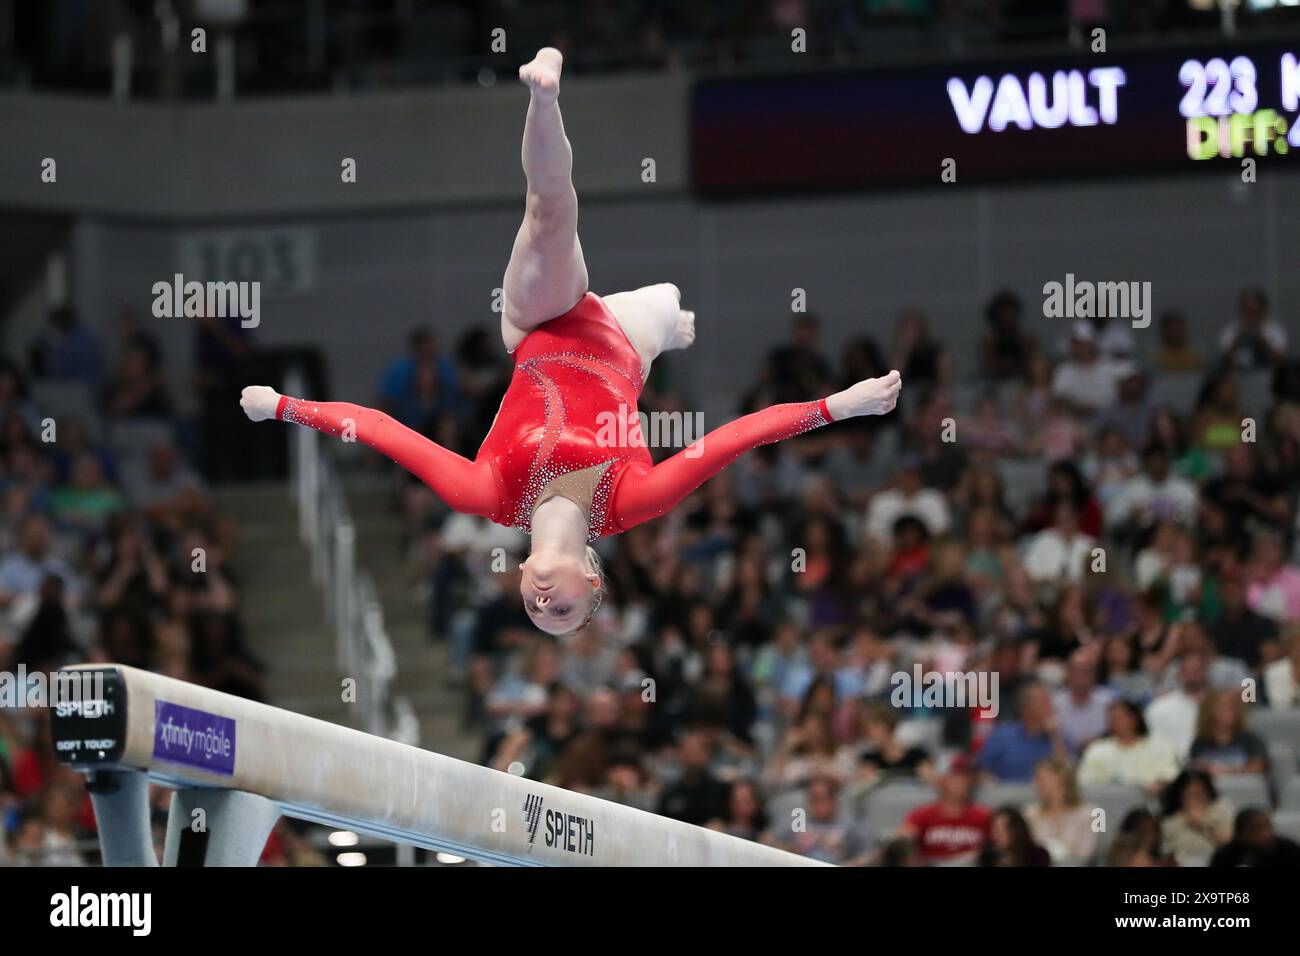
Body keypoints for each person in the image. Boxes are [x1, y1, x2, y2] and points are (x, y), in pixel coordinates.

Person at [240, 48, 903, 637]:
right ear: (594, 578)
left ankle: (542, 93)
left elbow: (379, 429)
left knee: (550, 213)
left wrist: (282, 407)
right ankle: (669, 325)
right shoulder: (632, 499)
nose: (543, 605)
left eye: (536, 612)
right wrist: (837, 407)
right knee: (669, 297)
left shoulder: (487, 492)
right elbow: (736, 438)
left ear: (523, 572)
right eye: (563, 612)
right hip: (625, 353)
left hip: (542, 326)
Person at [898, 760, 991, 866]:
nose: (960, 783)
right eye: (954, 778)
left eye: (963, 779)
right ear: (942, 782)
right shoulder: (922, 814)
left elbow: (998, 845)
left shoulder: (983, 815)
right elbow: (904, 837)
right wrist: (906, 839)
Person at [1077, 699, 1180, 791]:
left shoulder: (1158, 746)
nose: (1116, 722)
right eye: (1112, 718)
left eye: (1120, 717)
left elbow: (1171, 775)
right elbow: (1085, 780)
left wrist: (1160, 785)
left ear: (1135, 719)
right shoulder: (1097, 749)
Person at [1023, 756, 1098, 866]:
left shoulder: (1089, 815)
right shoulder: (1029, 814)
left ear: (1060, 780)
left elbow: (1086, 856)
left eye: (1040, 779)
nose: (1036, 784)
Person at [1160, 769, 1233, 866]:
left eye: (1199, 793)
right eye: (1190, 793)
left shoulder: (1220, 808)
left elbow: (1229, 841)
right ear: (1180, 795)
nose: (1195, 799)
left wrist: (1203, 824)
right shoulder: (1170, 818)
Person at [1210, 808, 1300, 867]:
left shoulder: (1289, 850)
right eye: (1256, 829)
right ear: (1240, 834)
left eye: (1268, 827)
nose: (1266, 834)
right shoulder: (1225, 856)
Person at [977, 806, 1051, 867]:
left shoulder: (1038, 856)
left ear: (1015, 832)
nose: (993, 835)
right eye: (993, 830)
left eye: (998, 831)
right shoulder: (986, 857)